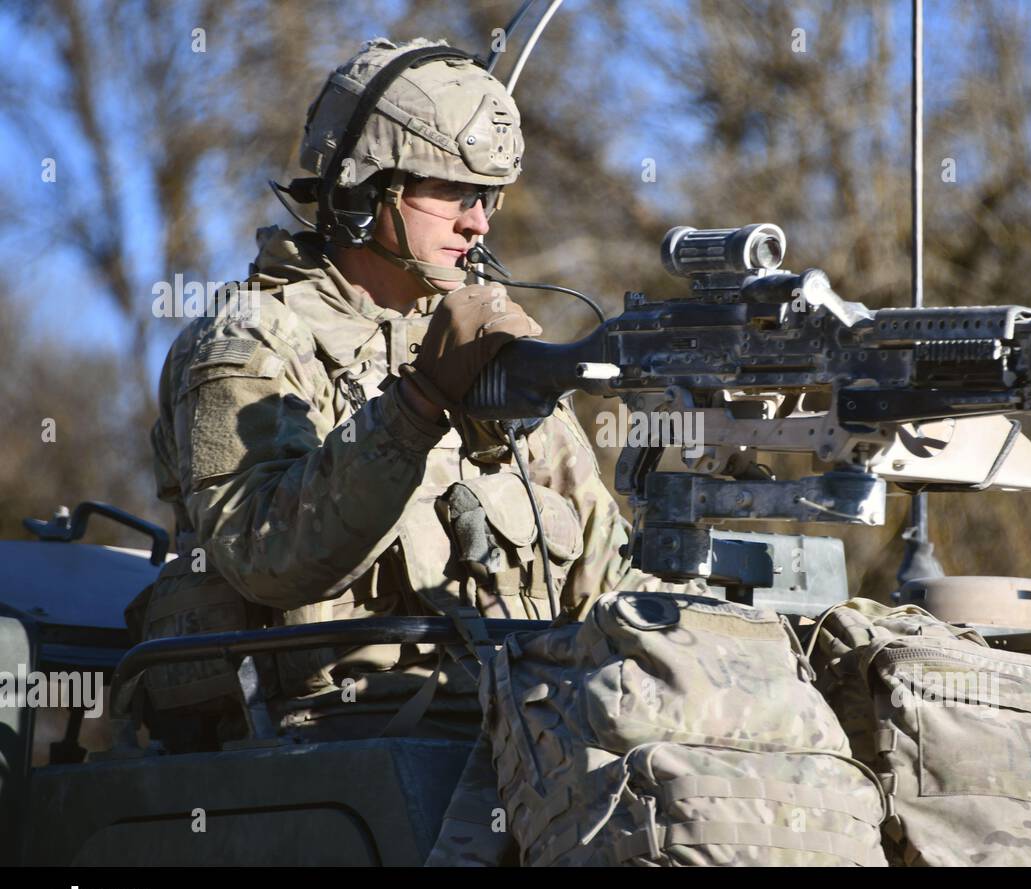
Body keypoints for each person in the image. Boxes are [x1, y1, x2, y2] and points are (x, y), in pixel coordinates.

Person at [140, 37, 670, 749]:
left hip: (511, 730)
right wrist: (421, 403)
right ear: (365, 189)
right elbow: (265, 554)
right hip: (317, 751)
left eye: (487, 197)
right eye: (452, 192)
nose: (478, 222)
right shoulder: (250, 340)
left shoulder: (483, 351)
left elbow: (605, 574)